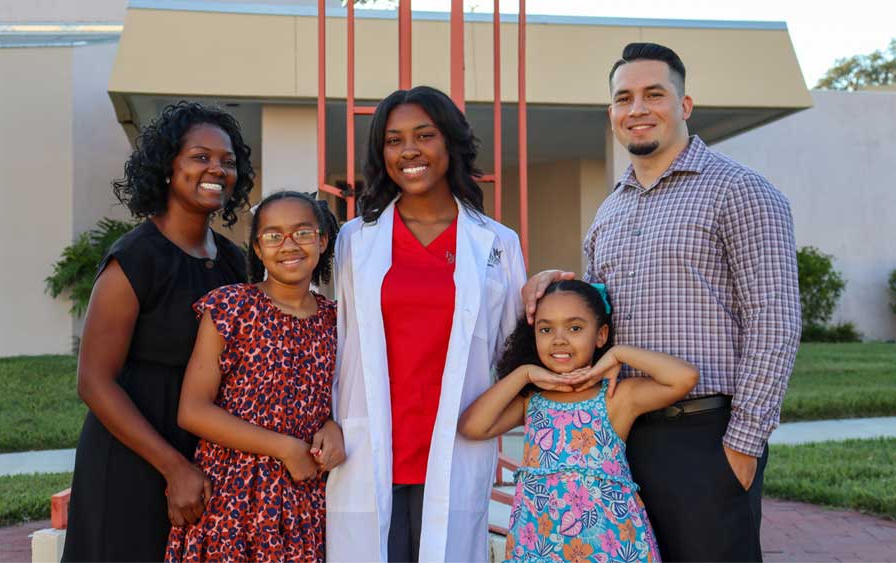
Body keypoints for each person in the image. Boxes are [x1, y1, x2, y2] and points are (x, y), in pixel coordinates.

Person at [522, 42, 801, 561]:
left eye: (654, 94)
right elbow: (591, 322)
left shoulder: (740, 190)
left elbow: (775, 323)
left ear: (685, 105)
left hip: (705, 434)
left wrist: (743, 443)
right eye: (623, 98)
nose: (637, 109)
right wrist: (546, 287)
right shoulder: (609, 211)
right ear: (611, 113)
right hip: (619, 439)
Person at [326, 85, 527, 562]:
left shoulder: (496, 243)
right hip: (368, 449)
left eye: (424, 135)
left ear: (450, 143)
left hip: (458, 446)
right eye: (394, 140)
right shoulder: (354, 241)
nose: (409, 151)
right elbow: (335, 343)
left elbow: (514, 353)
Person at [63, 102, 256, 562]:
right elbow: (93, 381)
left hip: (205, 455)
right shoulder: (135, 259)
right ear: (167, 168)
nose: (217, 169)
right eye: (200, 157)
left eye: (227, 161)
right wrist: (173, 468)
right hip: (132, 456)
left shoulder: (233, 261)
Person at [459, 280, 698, 562]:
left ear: (601, 335)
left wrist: (618, 353)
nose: (559, 339)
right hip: (540, 544)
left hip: (610, 546)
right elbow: (472, 426)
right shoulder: (531, 400)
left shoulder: (615, 398)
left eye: (575, 328)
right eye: (546, 329)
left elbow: (684, 378)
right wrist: (523, 374)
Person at [165, 191, 344, 562]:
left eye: (303, 233)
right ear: (258, 250)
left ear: (323, 240)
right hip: (233, 496)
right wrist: (284, 447)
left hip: (302, 502)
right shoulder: (231, 307)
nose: (289, 245)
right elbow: (193, 410)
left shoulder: (337, 320)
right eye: (273, 236)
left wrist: (332, 423)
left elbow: (340, 394)